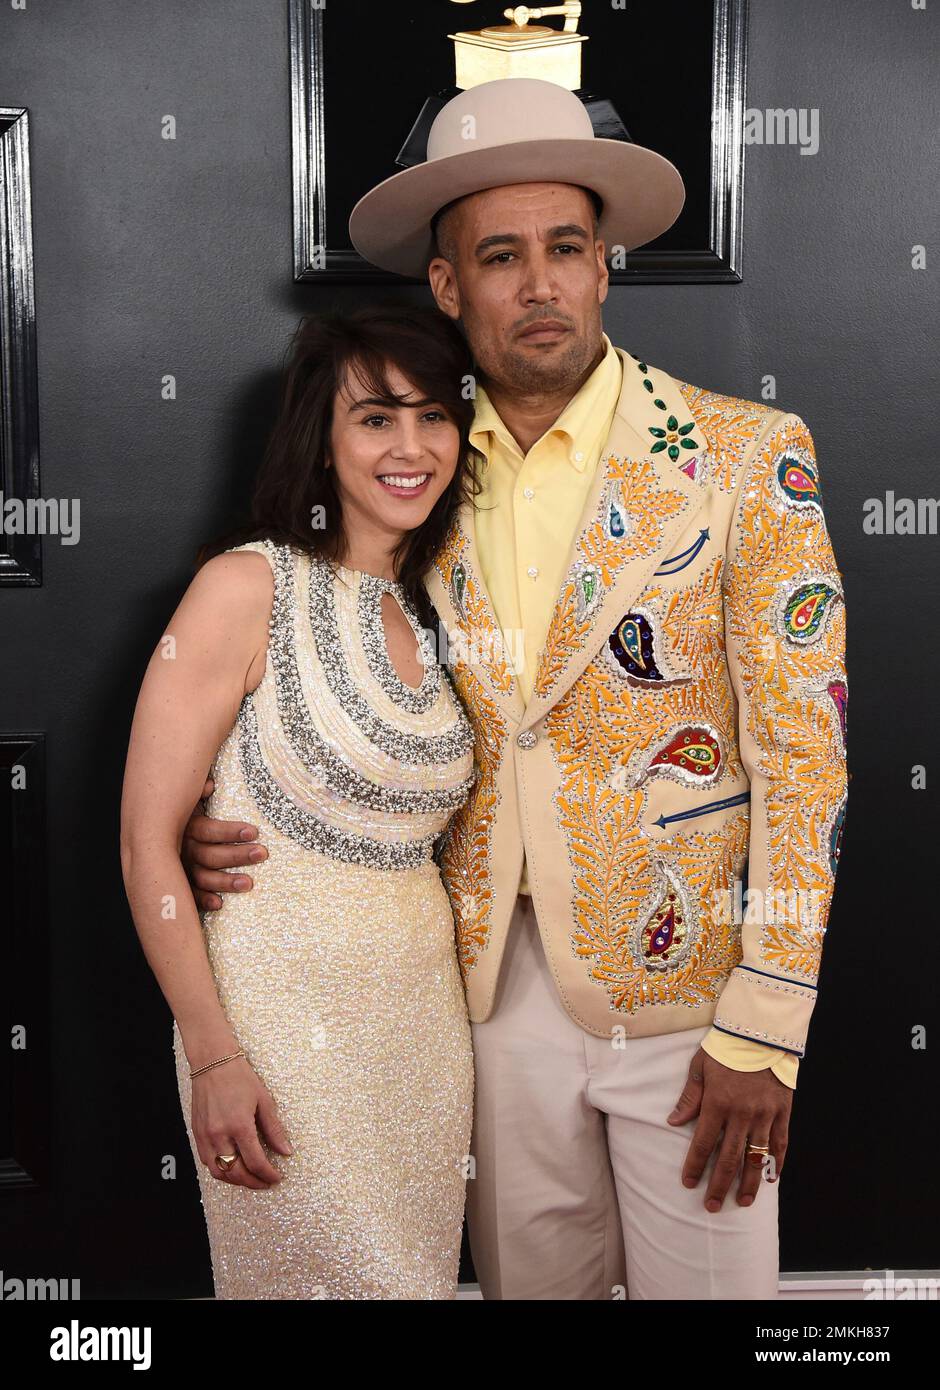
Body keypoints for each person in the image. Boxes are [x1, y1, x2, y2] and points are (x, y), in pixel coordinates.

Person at [183, 79, 849, 1300]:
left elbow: (807, 756)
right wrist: (206, 804)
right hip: (479, 1003)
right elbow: (321, 654)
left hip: (692, 994)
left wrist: (770, 1013)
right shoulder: (413, 463)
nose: (538, 284)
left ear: (606, 268)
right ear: (450, 287)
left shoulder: (746, 457)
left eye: (566, 250)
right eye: (501, 256)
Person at [120, 305, 481, 1299]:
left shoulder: (438, 604)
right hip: (276, 1030)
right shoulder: (244, 586)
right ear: (320, 439)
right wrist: (213, 1053)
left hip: (423, 1035)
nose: (410, 446)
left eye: (432, 416)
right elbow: (147, 843)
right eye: (375, 418)